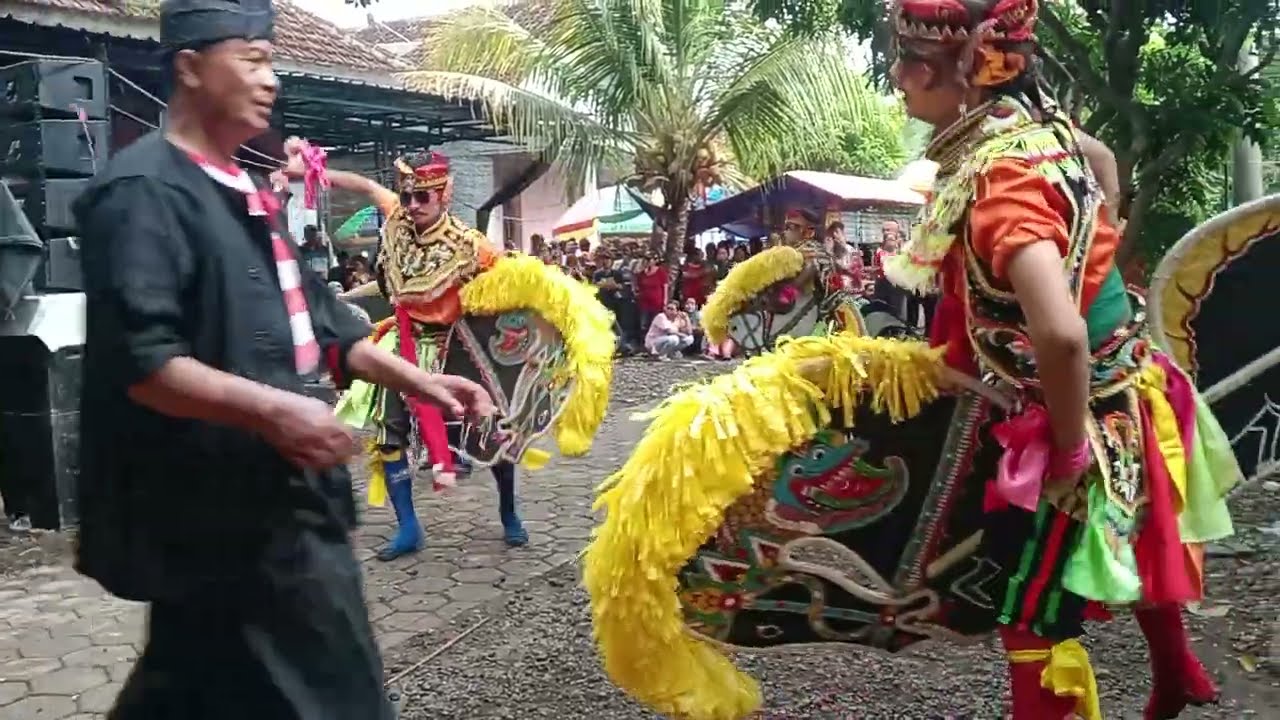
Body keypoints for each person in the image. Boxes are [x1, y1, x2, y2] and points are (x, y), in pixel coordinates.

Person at [73, 1, 494, 717]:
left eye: (273, 61)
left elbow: (329, 331)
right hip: (230, 514)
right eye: (254, 58)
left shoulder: (248, 193)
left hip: (270, 510)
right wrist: (278, 411)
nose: (271, 80)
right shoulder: (143, 192)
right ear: (190, 67)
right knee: (335, 694)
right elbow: (144, 361)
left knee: (195, 688)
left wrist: (422, 380)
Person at [884, 0, 1237, 716]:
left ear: (961, 76)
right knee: (1140, 531)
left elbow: (1062, 334)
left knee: (1032, 604)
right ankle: (1176, 675)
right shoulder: (1036, 131)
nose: (897, 79)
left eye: (910, 64)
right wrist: (1094, 240)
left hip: (1075, 410)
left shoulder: (1001, 180)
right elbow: (1102, 161)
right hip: (1127, 378)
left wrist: (1070, 450)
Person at [316, 151, 534, 557]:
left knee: (490, 433)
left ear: (443, 196)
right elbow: (362, 185)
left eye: (423, 197)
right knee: (388, 436)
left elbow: (513, 295)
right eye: (408, 195)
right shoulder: (397, 217)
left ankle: (509, 513)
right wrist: (310, 169)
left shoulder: (474, 247)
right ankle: (409, 529)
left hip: (456, 348)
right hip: (402, 345)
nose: (412, 205)